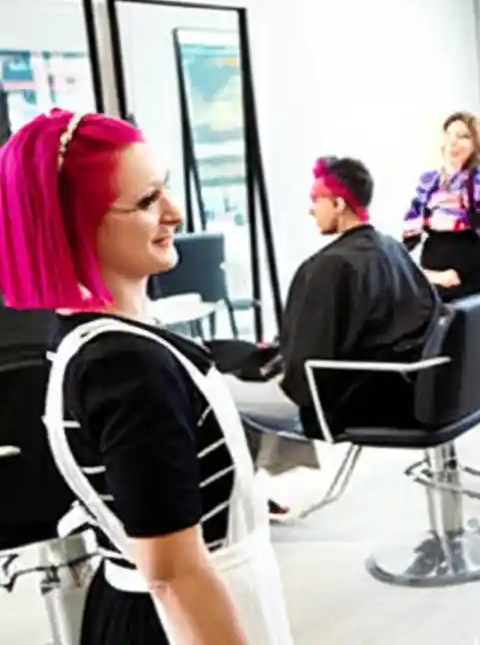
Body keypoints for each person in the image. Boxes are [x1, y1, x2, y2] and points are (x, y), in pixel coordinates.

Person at [0, 109, 292, 644]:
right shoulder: (126, 368)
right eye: (147, 201)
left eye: (165, 190)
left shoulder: (94, 341)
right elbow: (174, 574)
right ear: (76, 224)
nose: (174, 213)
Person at [223, 156, 440, 441]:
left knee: (216, 392)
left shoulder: (329, 266)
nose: (311, 209)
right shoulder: (394, 249)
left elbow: (303, 372)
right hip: (401, 394)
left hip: (344, 407)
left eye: (316, 200)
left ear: (338, 204)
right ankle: (283, 463)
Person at [402, 111, 480, 301]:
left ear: (477, 143)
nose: (453, 142)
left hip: (470, 269)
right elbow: (411, 228)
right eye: (449, 135)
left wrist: (459, 211)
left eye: (462, 136)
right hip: (434, 270)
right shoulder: (430, 181)